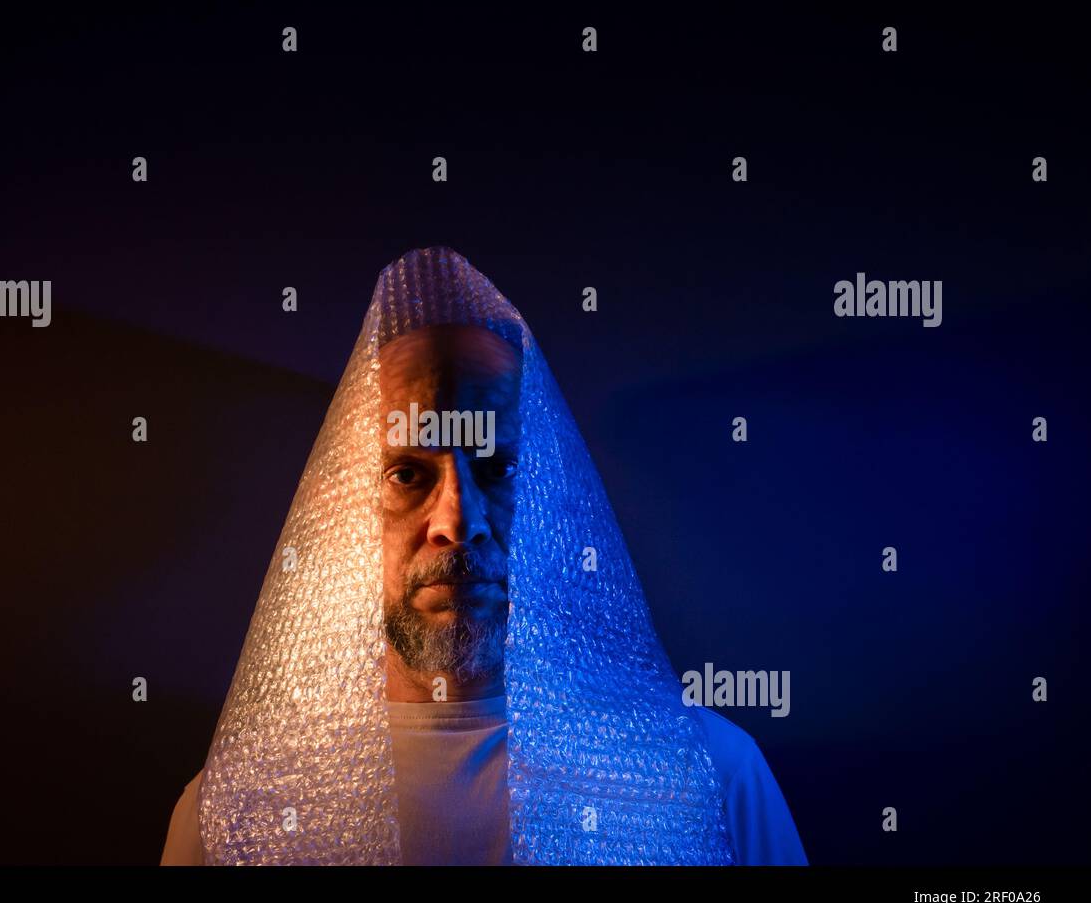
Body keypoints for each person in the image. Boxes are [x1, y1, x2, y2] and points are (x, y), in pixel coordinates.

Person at [162, 247, 807, 865]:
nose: (457, 522)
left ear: (553, 492)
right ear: (343, 511)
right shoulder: (235, 818)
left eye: (496, 468)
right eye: (409, 474)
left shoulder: (709, 781)